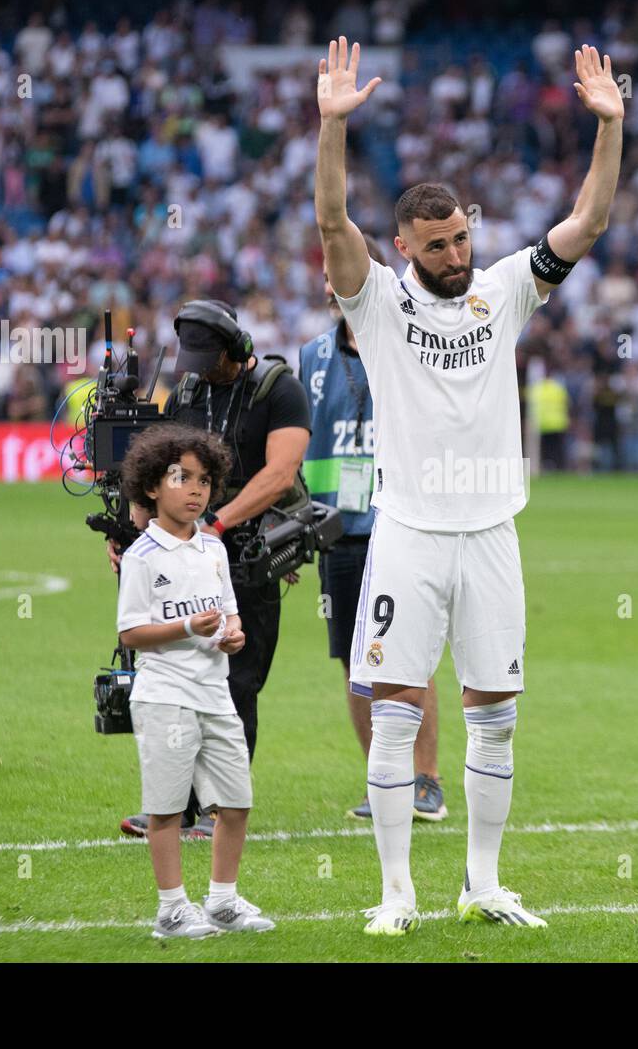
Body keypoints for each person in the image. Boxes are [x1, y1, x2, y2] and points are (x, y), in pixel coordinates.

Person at [315, 36, 624, 934]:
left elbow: (588, 224)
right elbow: (334, 225)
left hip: (494, 531)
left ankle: (482, 883)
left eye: (463, 237)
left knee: (494, 715)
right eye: (439, 242)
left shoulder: (504, 291)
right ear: (405, 243)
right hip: (407, 531)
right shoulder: (374, 298)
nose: (455, 252)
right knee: (397, 711)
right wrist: (332, 128)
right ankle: (395, 892)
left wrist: (609, 129)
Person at [109, 298, 311, 839]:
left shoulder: (278, 390)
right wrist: (133, 536)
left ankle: (218, 809)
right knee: (170, 682)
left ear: (237, 348)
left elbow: (280, 473)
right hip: (181, 554)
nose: (200, 372)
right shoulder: (189, 391)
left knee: (237, 682)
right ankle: (171, 807)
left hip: (248, 553)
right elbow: (158, 466)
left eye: (210, 360)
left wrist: (215, 525)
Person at [298, 236, 446, 823]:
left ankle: (427, 780)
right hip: (337, 532)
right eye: (332, 273)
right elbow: (300, 440)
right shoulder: (311, 355)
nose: (339, 282)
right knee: (356, 663)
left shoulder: (408, 342)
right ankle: (382, 781)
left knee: (412, 659)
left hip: (402, 523)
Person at [116, 423, 275, 937]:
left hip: (215, 693)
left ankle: (223, 902)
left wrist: (233, 635)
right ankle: (170, 910)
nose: (195, 490)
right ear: (151, 487)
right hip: (165, 695)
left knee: (236, 802)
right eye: (181, 478)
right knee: (165, 809)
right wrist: (186, 627)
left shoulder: (214, 549)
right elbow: (131, 633)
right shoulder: (142, 556)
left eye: (204, 480)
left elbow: (231, 616)